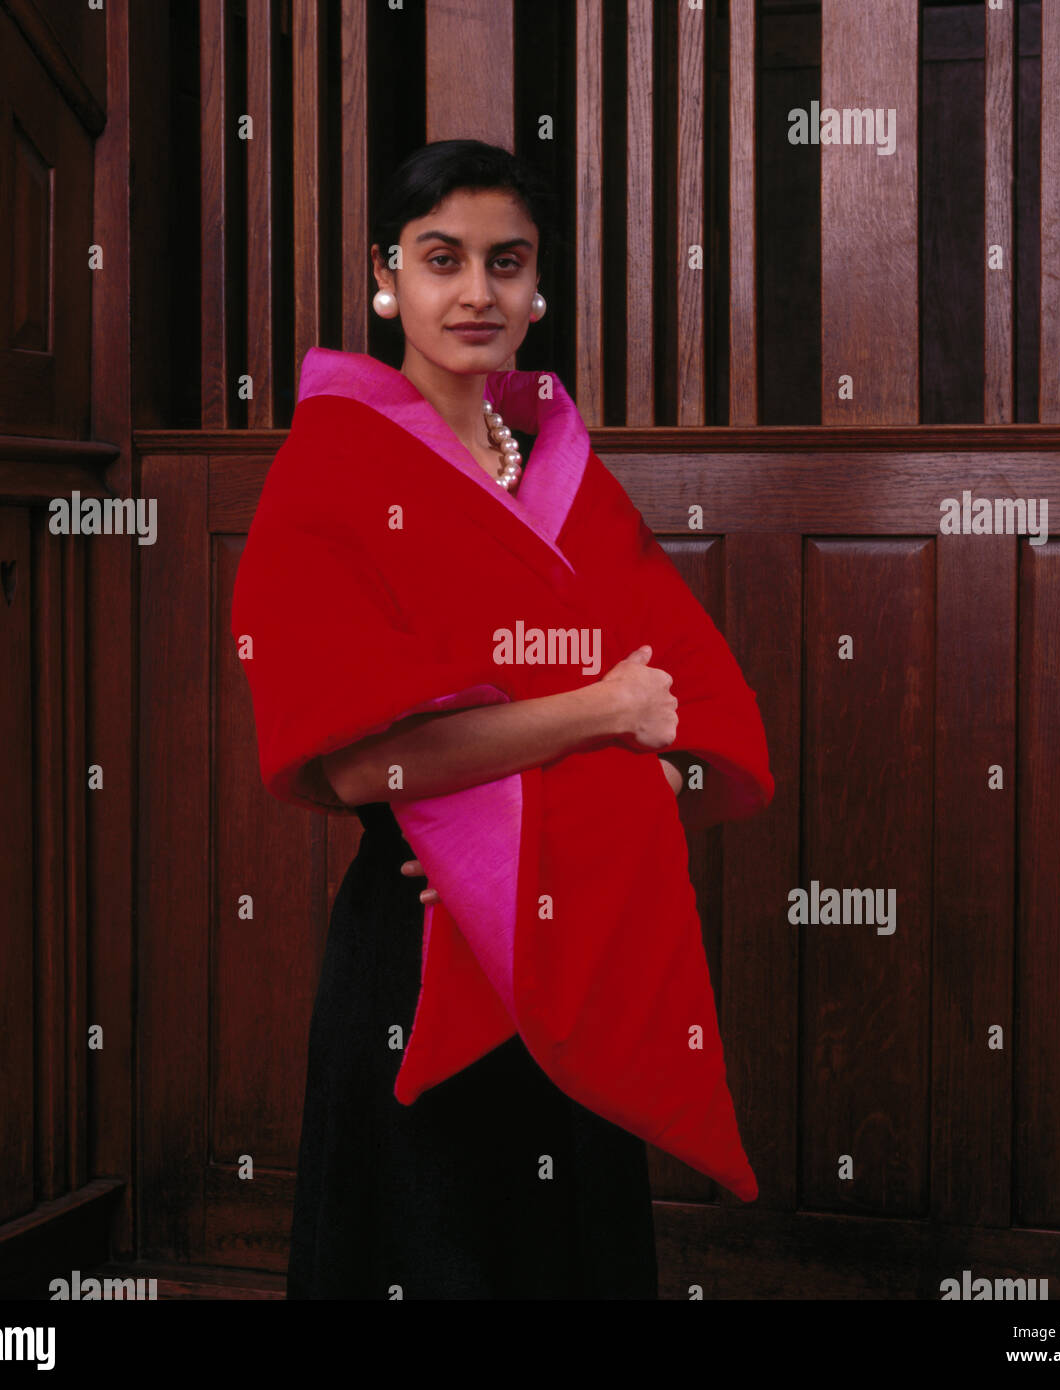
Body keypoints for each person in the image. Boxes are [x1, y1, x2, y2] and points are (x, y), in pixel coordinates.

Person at [232, 139, 772, 1300]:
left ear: (537, 293)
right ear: (388, 280)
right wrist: (596, 709)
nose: (476, 291)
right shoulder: (326, 468)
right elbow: (359, 763)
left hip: (575, 932)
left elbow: (684, 718)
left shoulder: (565, 474)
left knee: (567, 1259)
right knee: (427, 1258)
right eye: (442, 259)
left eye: (505, 262)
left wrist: (546, 822)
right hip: (415, 938)